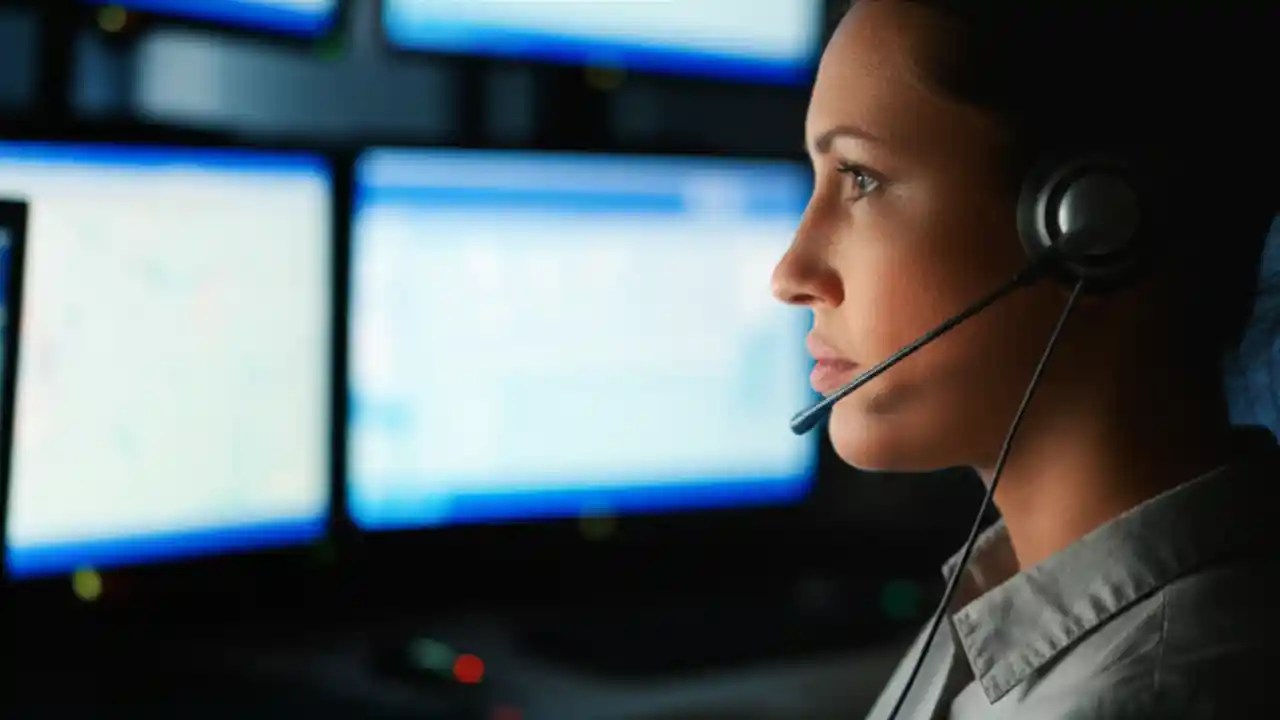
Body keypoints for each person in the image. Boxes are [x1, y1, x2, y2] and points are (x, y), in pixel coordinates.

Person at [770, 0, 1280, 718]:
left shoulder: (1150, 695)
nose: (791, 273)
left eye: (861, 178)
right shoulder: (1010, 594)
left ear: (1089, 225)